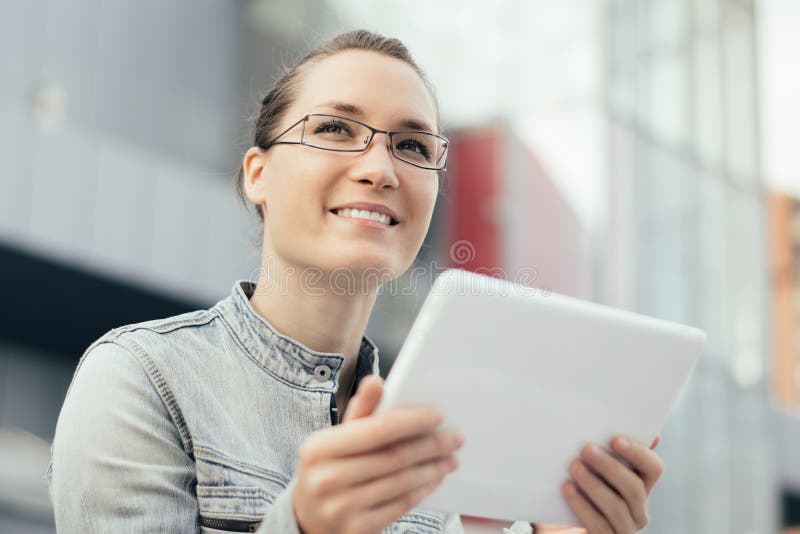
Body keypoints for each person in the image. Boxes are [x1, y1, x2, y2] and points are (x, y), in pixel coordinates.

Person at [45, 30, 664, 533]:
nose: (380, 169)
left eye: (413, 146)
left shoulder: (451, 452)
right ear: (258, 174)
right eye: (336, 129)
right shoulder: (141, 380)